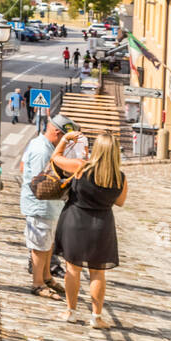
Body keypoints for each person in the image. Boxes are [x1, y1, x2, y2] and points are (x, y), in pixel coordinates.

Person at [53, 133, 128, 327]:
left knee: (72, 268)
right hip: (102, 225)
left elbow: (55, 158)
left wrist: (64, 140)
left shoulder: (80, 167)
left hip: (76, 221)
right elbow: (120, 202)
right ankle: (96, 317)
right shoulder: (119, 177)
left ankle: (70, 311)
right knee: (98, 273)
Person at [20, 114, 79, 300]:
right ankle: (37, 283)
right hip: (41, 206)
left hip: (49, 206)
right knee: (39, 245)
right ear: (56, 132)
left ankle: (46, 276)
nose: (66, 143)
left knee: (48, 243)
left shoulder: (46, 146)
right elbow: (43, 182)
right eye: (65, 138)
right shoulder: (42, 150)